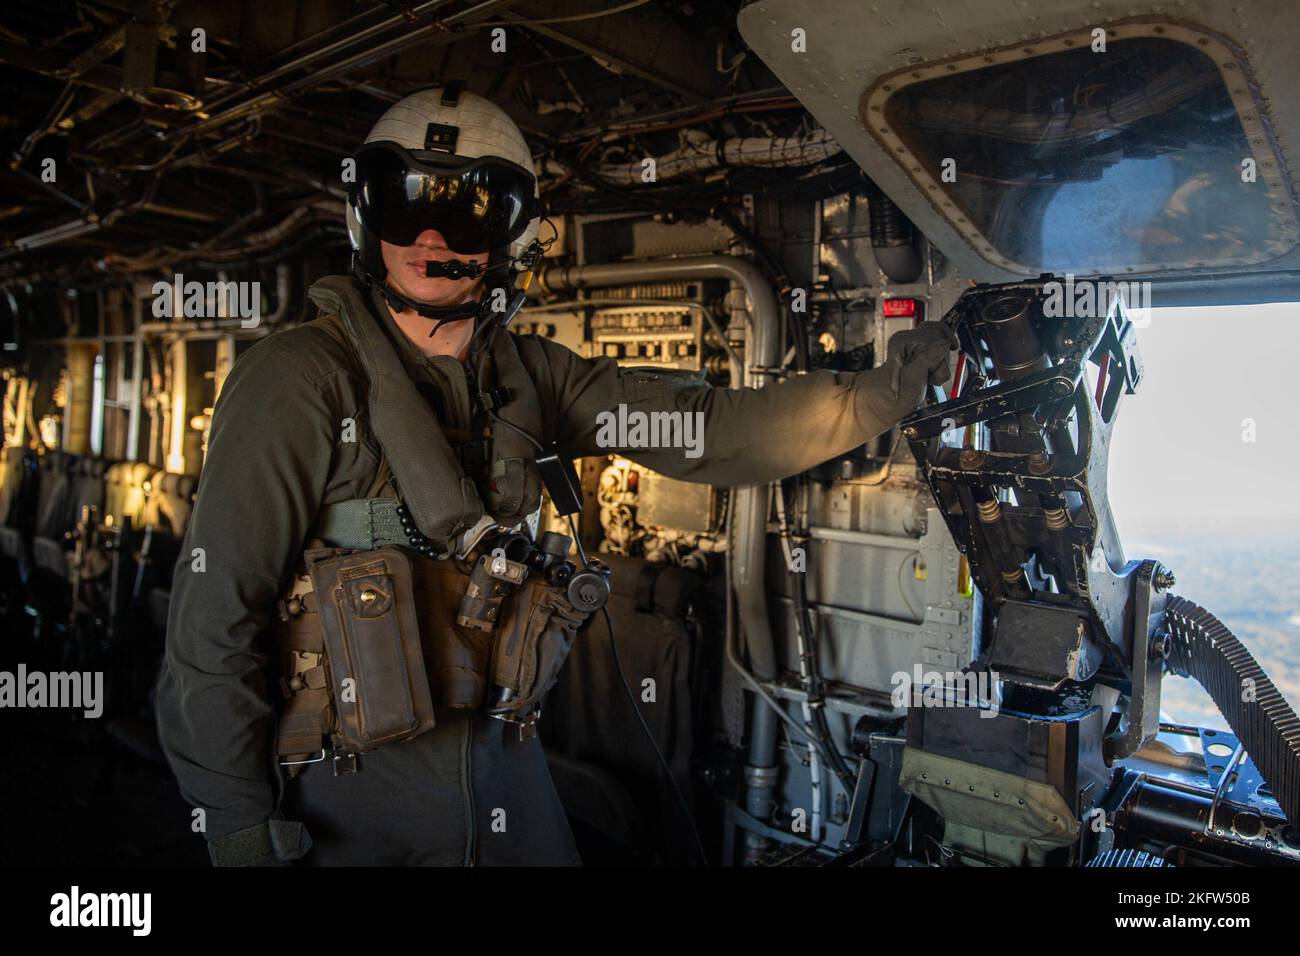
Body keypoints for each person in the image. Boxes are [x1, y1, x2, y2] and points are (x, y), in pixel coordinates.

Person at [155, 84, 954, 866]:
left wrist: (881, 395)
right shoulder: (298, 380)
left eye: (471, 210)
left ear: (514, 236)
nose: (432, 234)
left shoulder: (529, 377)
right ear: (367, 216)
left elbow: (708, 430)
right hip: (352, 793)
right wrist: (238, 826)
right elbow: (213, 617)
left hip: (506, 776)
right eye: (406, 203)